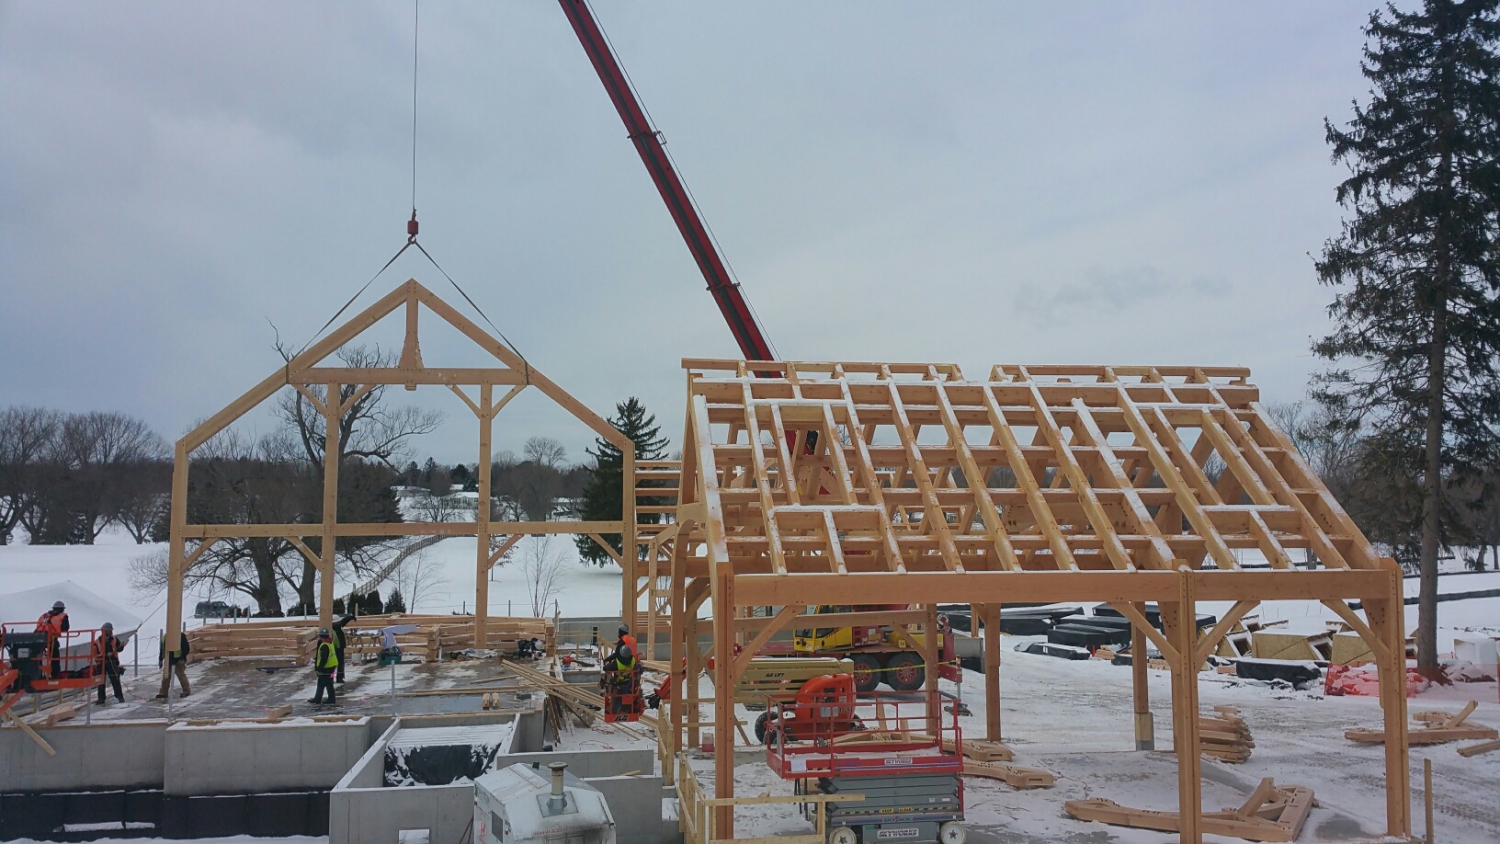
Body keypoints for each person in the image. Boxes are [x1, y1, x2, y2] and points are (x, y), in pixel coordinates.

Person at [602, 643, 639, 717]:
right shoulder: (633, 660)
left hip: (619, 683)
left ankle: (611, 710)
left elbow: (605, 668)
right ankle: (627, 709)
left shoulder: (617, 663)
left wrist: (606, 664)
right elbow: (636, 666)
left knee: (613, 693)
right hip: (629, 683)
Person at [93, 622, 125, 704]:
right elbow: (95, 653)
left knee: (115, 680)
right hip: (101, 663)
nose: (110, 632)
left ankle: (120, 697)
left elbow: (119, 649)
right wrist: (104, 656)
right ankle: (101, 698)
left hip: (112, 662)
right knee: (101, 682)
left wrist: (121, 646)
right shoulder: (98, 641)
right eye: (109, 630)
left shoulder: (114, 639)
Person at [36, 600, 69, 679]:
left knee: (37, 657)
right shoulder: (63, 616)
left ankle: (38, 675)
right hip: (52, 638)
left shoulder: (44, 615)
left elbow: (38, 625)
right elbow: (65, 628)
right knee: (55, 658)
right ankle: (55, 675)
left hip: (39, 638)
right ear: (62, 609)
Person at [155, 631, 191, 699]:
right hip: (168, 659)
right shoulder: (165, 637)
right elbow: (162, 649)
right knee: (166, 677)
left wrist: (182, 657)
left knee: (181, 676)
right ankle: (163, 692)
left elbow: (186, 648)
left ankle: (186, 691)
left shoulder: (181, 636)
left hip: (178, 660)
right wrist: (160, 659)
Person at [310, 628, 338, 705]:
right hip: (332, 666)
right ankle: (329, 699)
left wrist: (319, 668)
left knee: (321, 683)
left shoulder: (324, 646)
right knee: (329, 683)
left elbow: (324, 659)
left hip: (327, 667)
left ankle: (318, 699)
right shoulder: (330, 642)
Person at [331, 613, 356, 683]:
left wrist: (351, 617)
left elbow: (343, 621)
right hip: (335, 648)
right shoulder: (334, 628)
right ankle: (336, 678)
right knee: (336, 664)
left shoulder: (337, 626)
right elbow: (342, 622)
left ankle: (337, 678)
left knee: (339, 664)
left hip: (339, 647)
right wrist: (351, 617)